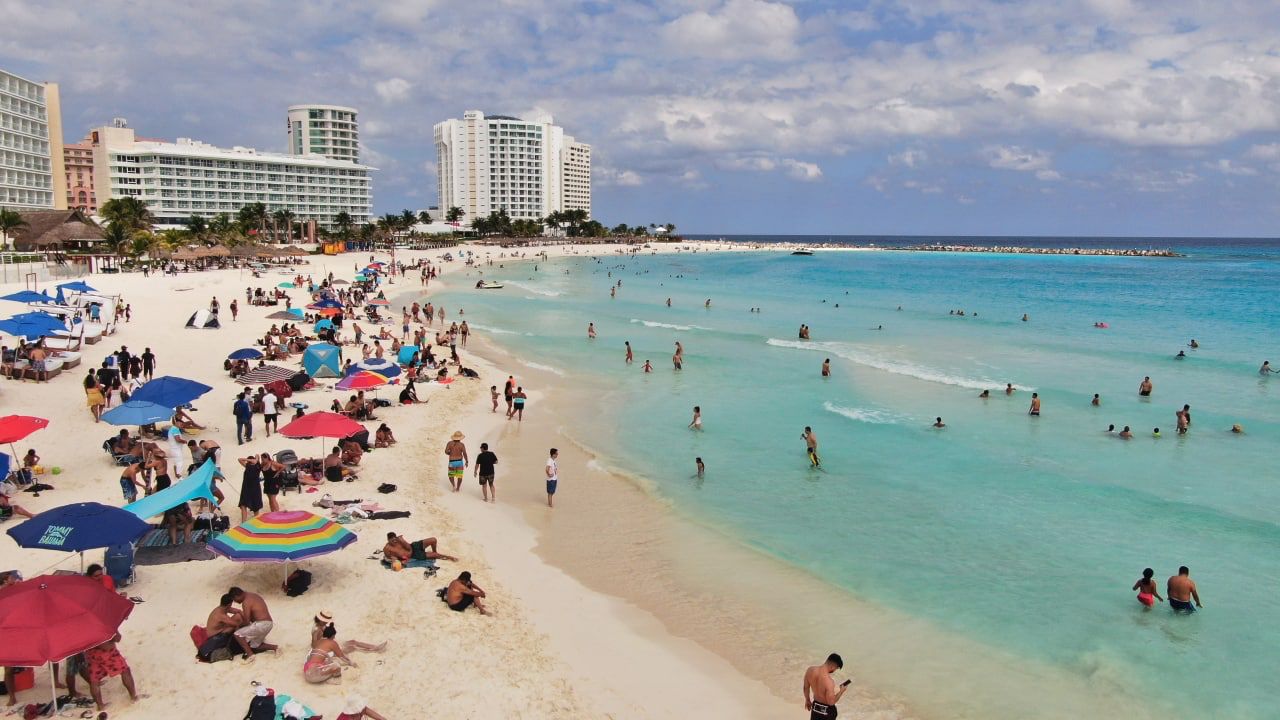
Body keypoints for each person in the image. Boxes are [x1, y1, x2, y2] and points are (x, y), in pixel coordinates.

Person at [84, 633, 140, 711]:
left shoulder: (82, 627)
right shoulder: (101, 624)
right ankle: (133, 697)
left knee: (94, 681)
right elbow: (117, 638)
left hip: (92, 655)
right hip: (108, 652)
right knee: (125, 671)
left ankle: (100, 706)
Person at [230, 586, 277, 653]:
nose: (236, 602)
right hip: (269, 623)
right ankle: (275, 648)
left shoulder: (245, 602)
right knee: (254, 646)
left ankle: (250, 655)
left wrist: (237, 626)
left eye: (234, 600)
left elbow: (247, 621)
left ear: (236, 596)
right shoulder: (253, 595)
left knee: (237, 634)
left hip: (261, 624)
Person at [205, 593, 253, 659]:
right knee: (236, 625)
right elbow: (235, 624)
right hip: (215, 637)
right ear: (229, 604)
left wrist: (246, 619)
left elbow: (238, 611)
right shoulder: (221, 615)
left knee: (238, 616)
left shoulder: (222, 608)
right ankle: (242, 641)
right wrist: (248, 623)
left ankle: (243, 636)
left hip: (220, 629)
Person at [803, 653, 848, 719]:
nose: (834, 670)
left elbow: (805, 688)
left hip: (815, 707)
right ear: (833, 666)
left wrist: (807, 700)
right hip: (827, 712)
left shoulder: (810, 670)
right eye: (836, 668)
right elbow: (831, 702)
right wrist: (841, 691)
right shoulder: (829, 682)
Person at [383, 532, 457, 563]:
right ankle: (449, 557)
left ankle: (435, 551)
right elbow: (388, 557)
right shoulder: (387, 548)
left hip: (413, 546)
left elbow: (408, 547)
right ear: (388, 540)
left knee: (433, 540)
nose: (395, 541)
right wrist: (396, 559)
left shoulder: (399, 540)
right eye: (392, 540)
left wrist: (403, 541)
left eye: (395, 539)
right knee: (436, 556)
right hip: (413, 555)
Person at [237, 455, 264, 523]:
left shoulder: (258, 466)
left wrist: (255, 460)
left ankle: (256, 522)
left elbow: (257, 455)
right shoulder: (248, 466)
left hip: (255, 489)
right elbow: (239, 459)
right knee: (243, 505)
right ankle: (243, 523)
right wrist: (249, 460)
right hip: (246, 488)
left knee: (256, 507)